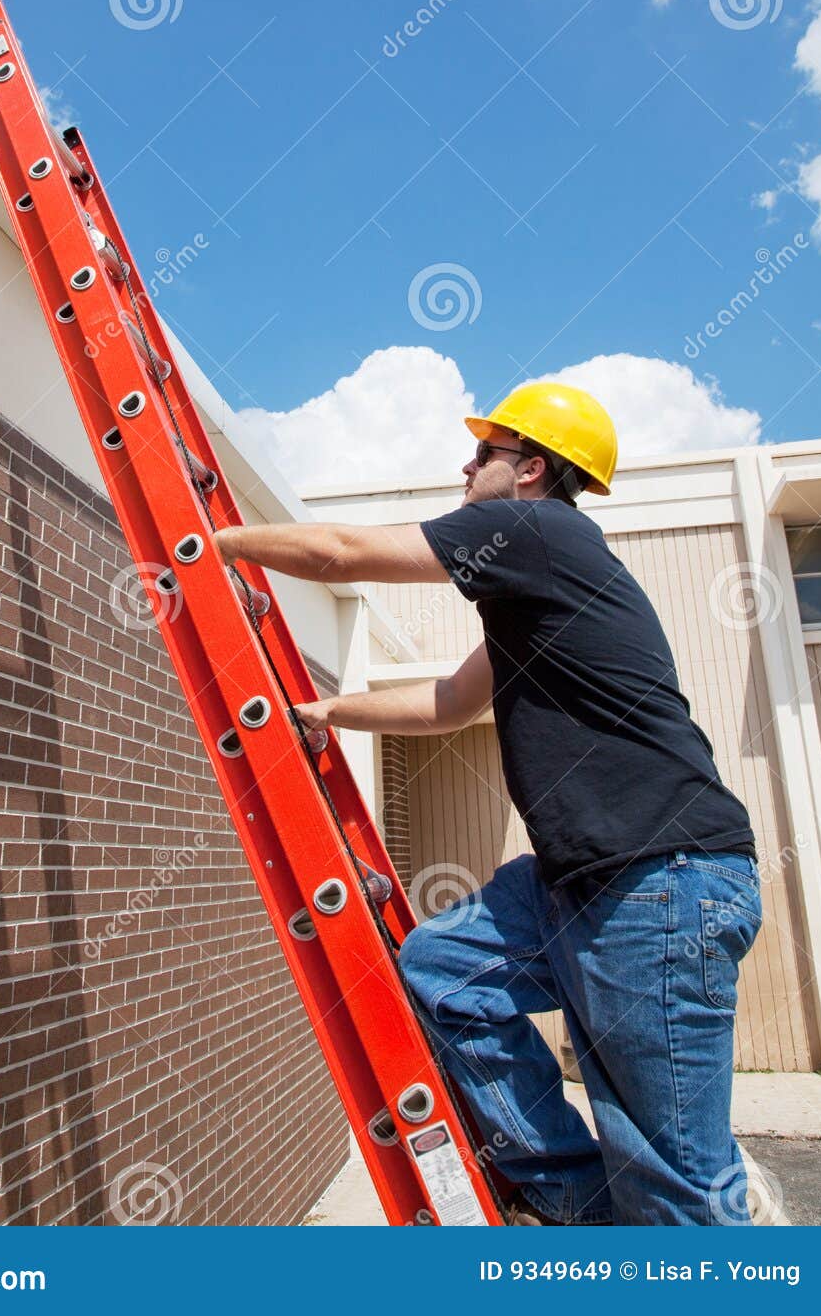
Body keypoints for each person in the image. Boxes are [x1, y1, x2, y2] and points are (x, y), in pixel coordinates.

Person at [213, 381, 761, 1226]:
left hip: (659, 874)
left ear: (531, 470)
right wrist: (326, 713)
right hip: (580, 879)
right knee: (443, 970)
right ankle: (581, 1211)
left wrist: (210, 543)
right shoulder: (531, 587)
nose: (466, 466)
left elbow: (336, 551)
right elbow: (448, 702)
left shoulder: (532, 529)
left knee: (675, 1180)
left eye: (485, 453)